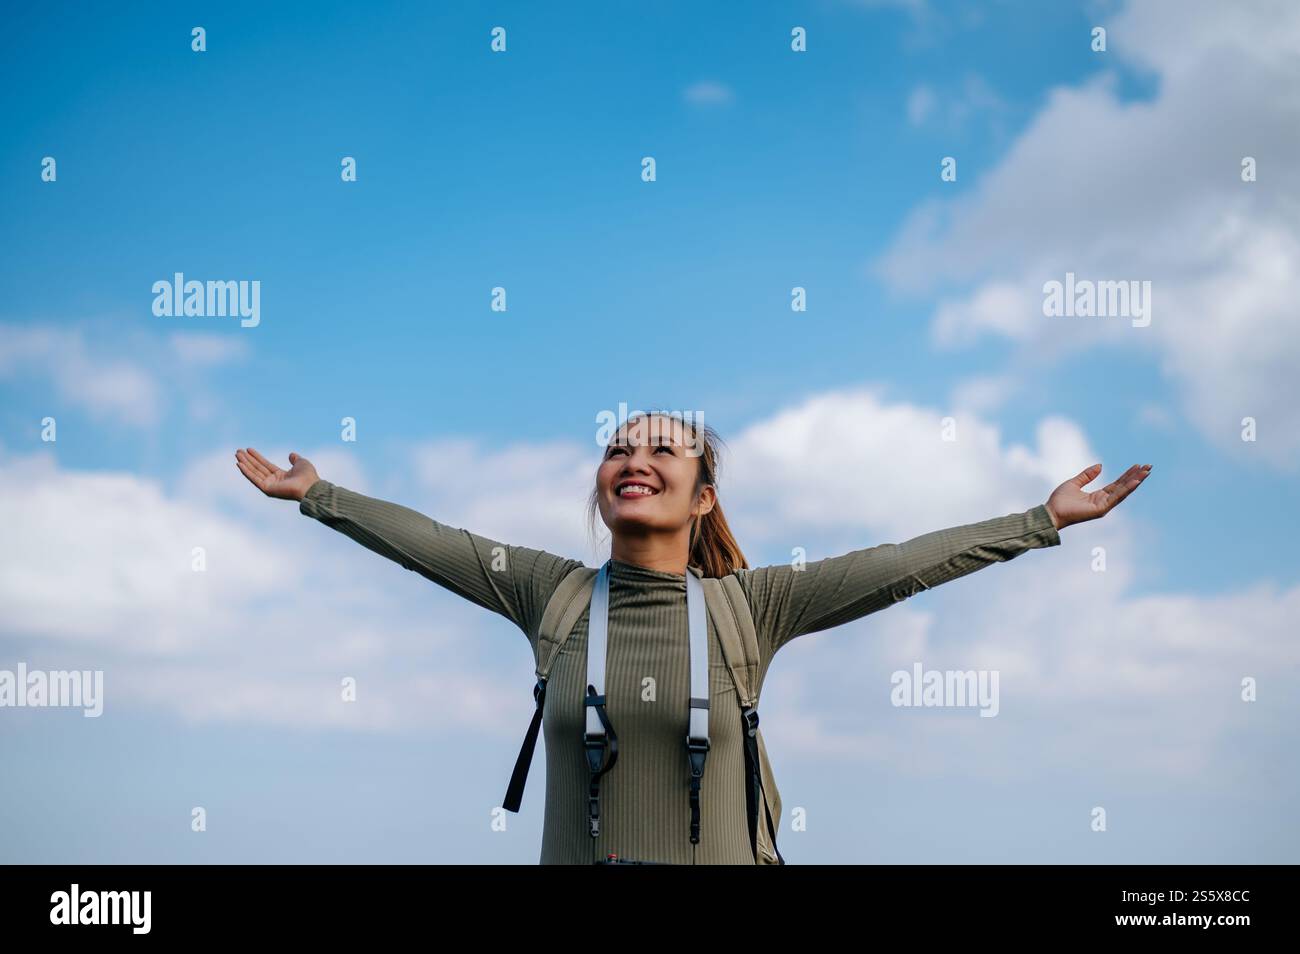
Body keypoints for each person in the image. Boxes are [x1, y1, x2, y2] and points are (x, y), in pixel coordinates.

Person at [234, 412, 1151, 864]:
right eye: (619, 448)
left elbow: (904, 562)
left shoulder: (749, 609)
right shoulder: (549, 595)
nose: (635, 459)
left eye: (663, 450)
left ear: (702, 494)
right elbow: (428, 542)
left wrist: (1044, 518)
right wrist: (318, 495)